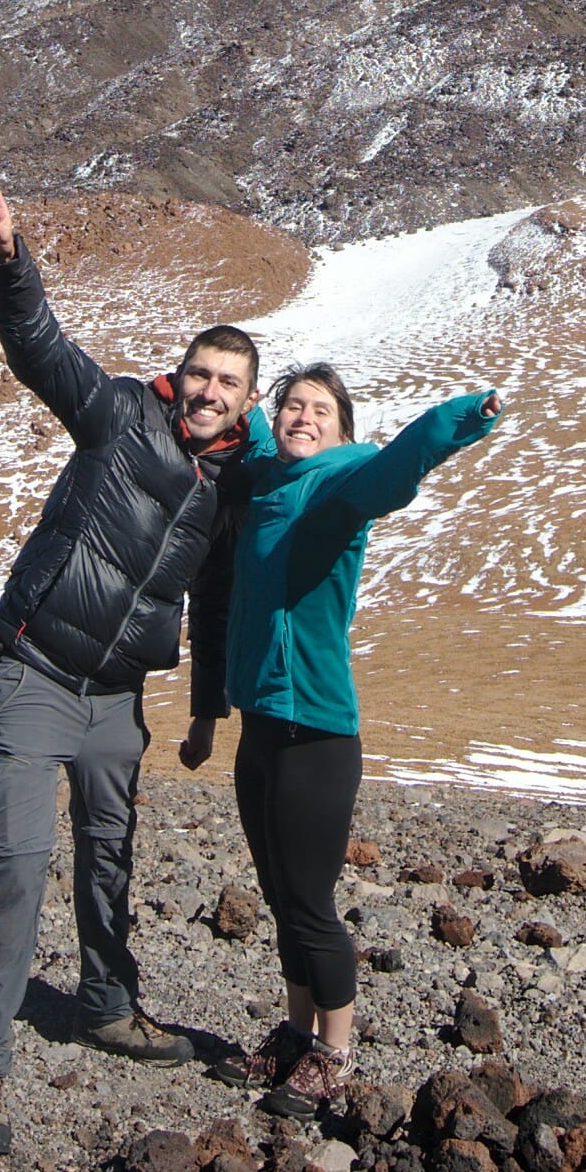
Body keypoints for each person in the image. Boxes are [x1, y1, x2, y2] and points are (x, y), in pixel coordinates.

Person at [0, 178, 258, 1158]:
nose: (207, 391)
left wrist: (205, 714)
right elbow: (40, 349)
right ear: (180, 373)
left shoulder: (228, 487)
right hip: (33, 672)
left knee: (110, 858)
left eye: (227, 383)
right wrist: (7, 258)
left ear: (247, 398)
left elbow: (213, 603)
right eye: (199, 373)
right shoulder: (118, 415)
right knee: (15, 870)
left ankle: (109, 1005)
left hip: (119, 700)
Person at [179, 360, 500, 1116]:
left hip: (317, 734)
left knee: (311, 900)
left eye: (319, 409)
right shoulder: (267, 483)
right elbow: (250, 429)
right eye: (292, 404)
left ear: (342, 430)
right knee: (278, 893)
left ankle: (336, 1050)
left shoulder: (341, 482)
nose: (302, 416)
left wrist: (459, 417)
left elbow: (395, 469)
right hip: (261, 727)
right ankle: (295, 1033)